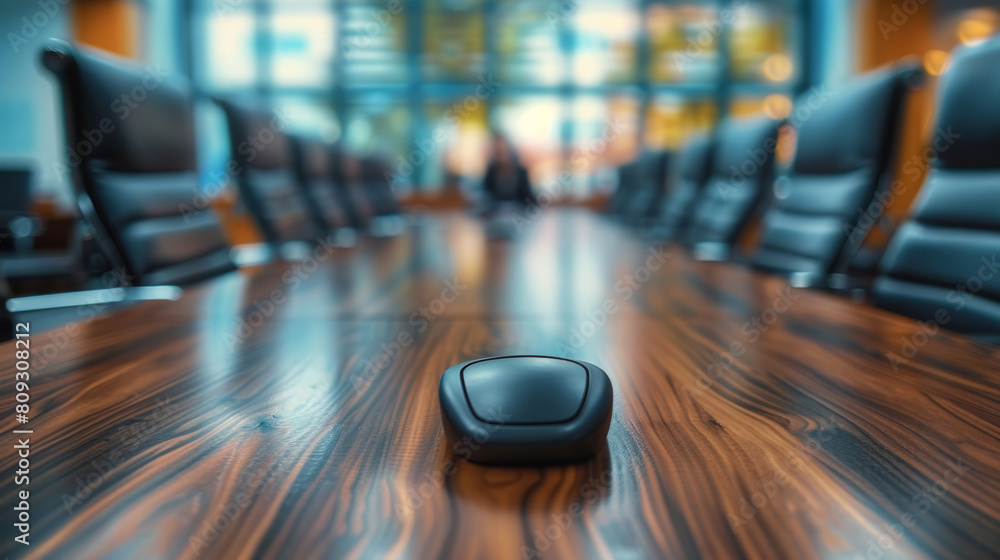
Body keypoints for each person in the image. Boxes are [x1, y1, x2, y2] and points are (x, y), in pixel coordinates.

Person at [481, 134, 536, 215]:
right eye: (498, 152)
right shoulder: (491, 172)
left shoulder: (521, 172)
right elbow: (487, 197)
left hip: (518, 215)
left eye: (503, 151)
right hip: (496, 216)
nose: (501, 155)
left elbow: (529, 198)